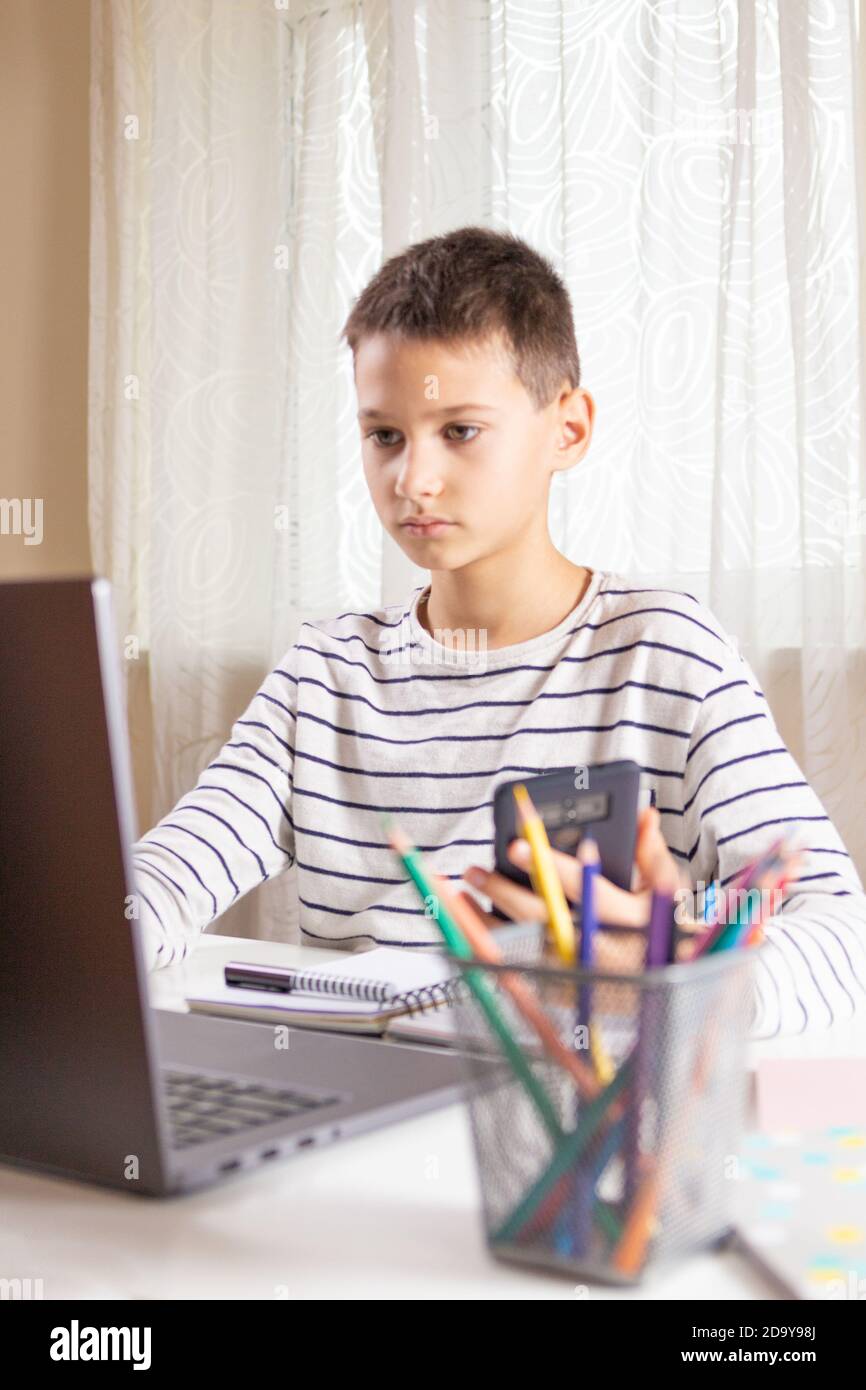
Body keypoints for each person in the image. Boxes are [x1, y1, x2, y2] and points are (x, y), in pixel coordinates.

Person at [131, 226, 866, 1039]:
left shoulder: (664, 652)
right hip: (360, 1101)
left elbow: (840, 939)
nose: (413, 479)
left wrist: (669, 978)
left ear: (569, 430)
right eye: (385, 435)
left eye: (460, 430)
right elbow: (166, 877)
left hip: (565, 1120)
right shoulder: (326, 672)